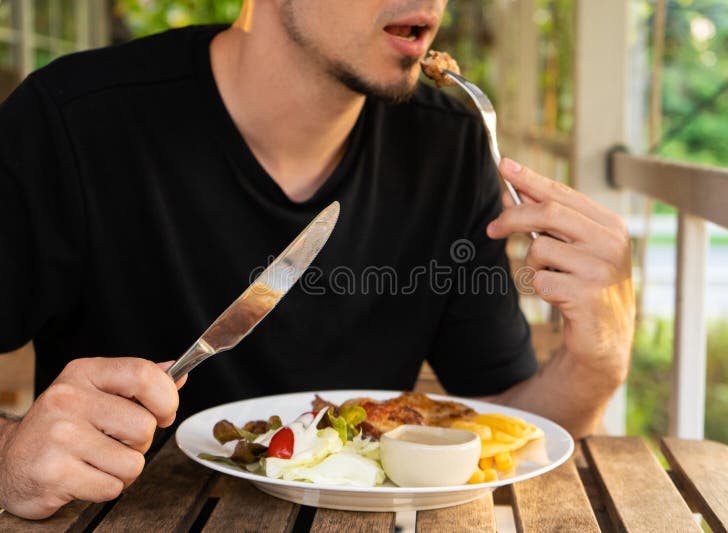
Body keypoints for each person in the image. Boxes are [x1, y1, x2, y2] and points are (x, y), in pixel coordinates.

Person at [0, 0, 634, 520]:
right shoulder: (73, 122)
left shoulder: (447, 146)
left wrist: (598, 360)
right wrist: (9, 459)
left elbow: (510, 431)